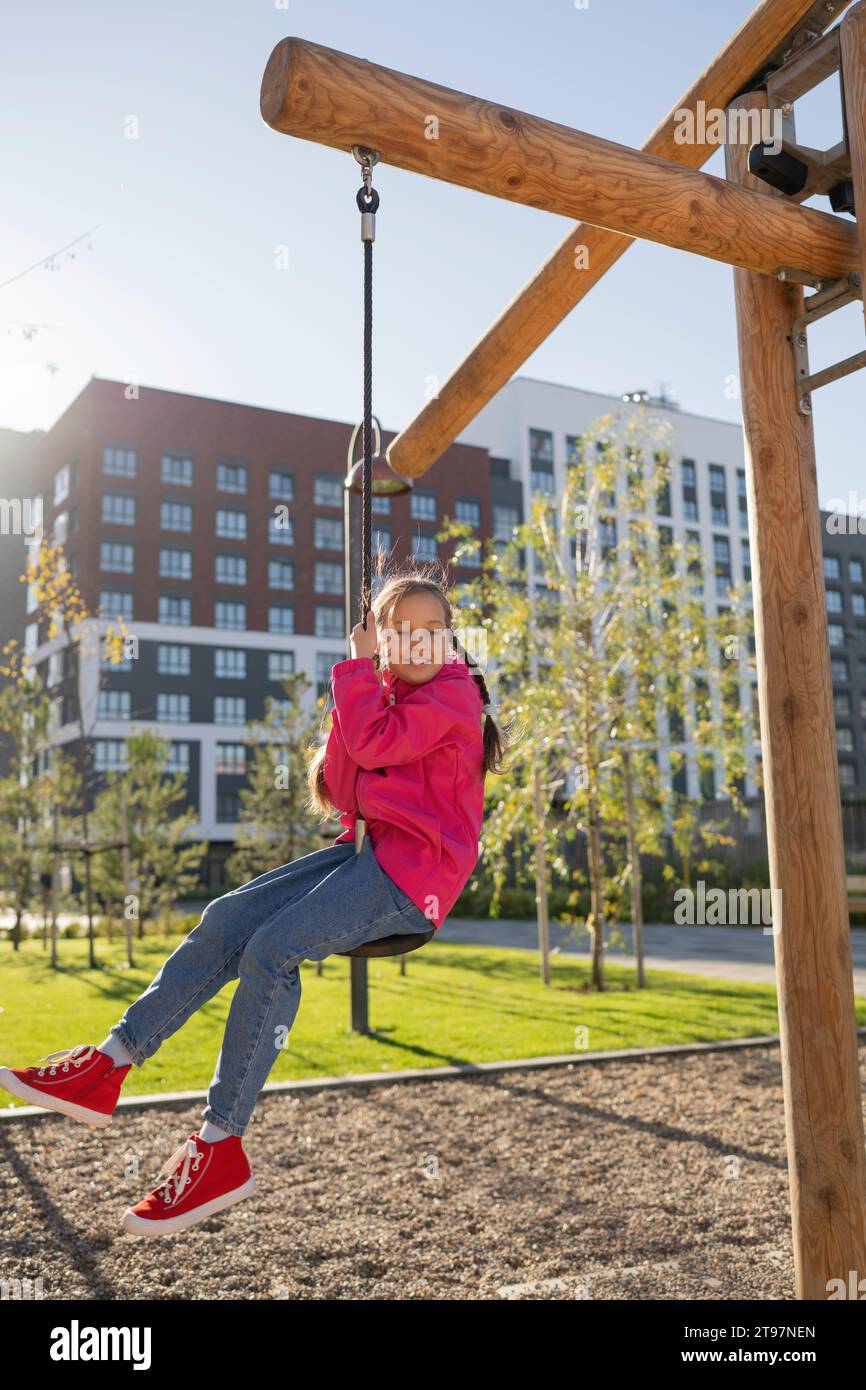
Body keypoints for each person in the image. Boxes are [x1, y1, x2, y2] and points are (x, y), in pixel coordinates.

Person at [0, 561, 507, 1236]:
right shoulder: (382, 692)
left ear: (449, 640)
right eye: (401, 630)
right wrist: (362, 684)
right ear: (380, 639)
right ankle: (108, 1064)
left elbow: (376, 742)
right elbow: (343, 786)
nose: (420, 642)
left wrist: (358, 674)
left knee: (271, 951)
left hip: (416, 877)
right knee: (226, 918)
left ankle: (219, 1146)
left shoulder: (452, 694)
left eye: (434, 630)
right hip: (369, 853)